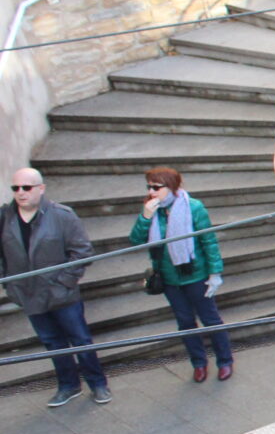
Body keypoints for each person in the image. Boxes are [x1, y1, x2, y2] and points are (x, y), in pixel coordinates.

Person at [1, 168, 110, 406]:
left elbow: (82, 252)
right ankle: (68, 386)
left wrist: (63, 283)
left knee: (80, 339)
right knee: (52, 343)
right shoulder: (4, 217)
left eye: (27, 188)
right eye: (16, 188)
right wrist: (9, 284)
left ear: (41, 189)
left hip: (62, 294)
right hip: (28, 294)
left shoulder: (62, 215)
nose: (20, 193)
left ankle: (98, 384)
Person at [131, 167, 233, 382]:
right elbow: (136, 240)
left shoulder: (193, 207)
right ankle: (198, 363)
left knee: (210, 319)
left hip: (195, 274)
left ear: (171, 186)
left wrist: (215, 273)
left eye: (156, 187)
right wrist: (145, 216)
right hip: (169, 278)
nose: (151, 191)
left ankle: (225, 360)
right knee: (185, 322)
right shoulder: (152, 210)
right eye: (149, 186)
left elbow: (208, 241)